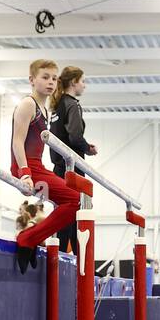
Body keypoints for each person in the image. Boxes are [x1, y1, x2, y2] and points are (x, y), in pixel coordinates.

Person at [9, 59, 82, 273]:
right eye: (45, 77)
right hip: (26, 166)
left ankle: (30, 238)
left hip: (37, 166)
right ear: (31, 80)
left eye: (54, 78)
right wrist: (24, 173)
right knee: (75, 200)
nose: (51, 82)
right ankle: (28, 238)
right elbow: (17, 141)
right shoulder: (28, 104)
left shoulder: (46, 109)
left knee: (74, 201)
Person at [49, 65, 97, 256]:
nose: (84, 86)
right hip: (72, 167)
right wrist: (88, 148)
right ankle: (79, 261)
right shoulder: (72, 105)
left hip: (58, 165)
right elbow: (75, 137)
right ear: (74, 82)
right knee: (78, 213)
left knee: (64, 213)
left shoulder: (56, 105)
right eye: (83, 81)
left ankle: (61, 257)